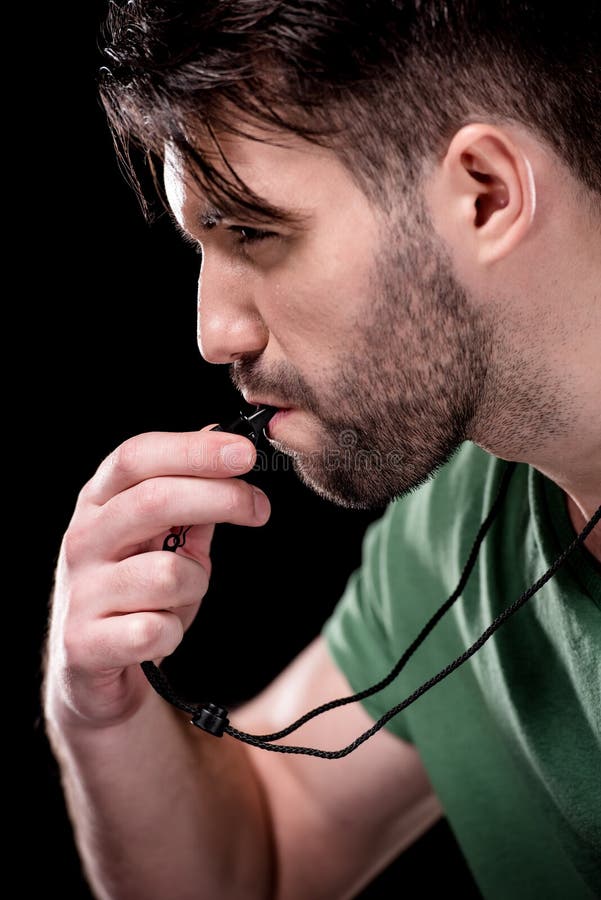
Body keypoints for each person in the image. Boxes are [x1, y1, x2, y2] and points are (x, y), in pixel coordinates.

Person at [43, 2, 600, 898]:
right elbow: (255, 863)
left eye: (254, 231)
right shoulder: (462, 523)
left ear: (485, 195)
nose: (213, 335)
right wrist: (100, 710)